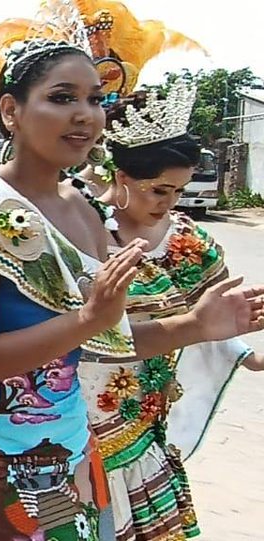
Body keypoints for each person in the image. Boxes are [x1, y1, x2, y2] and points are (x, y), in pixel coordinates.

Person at [0, 30, 264, 540]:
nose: (86, 114)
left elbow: (105, 342)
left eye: (96, 99)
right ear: (12, 111)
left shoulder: (82, 209)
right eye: (62, 98)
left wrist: (196, 325)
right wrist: (85, 320)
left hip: (69, 426)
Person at [76, 84, 264, 540]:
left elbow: (211, 319)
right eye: (159, 189)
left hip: (148, 410)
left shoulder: (187, 238)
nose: (170, 202)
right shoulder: (83, 229)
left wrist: (249, 355)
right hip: (83, 409)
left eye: (178, 190)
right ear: (120, 175)